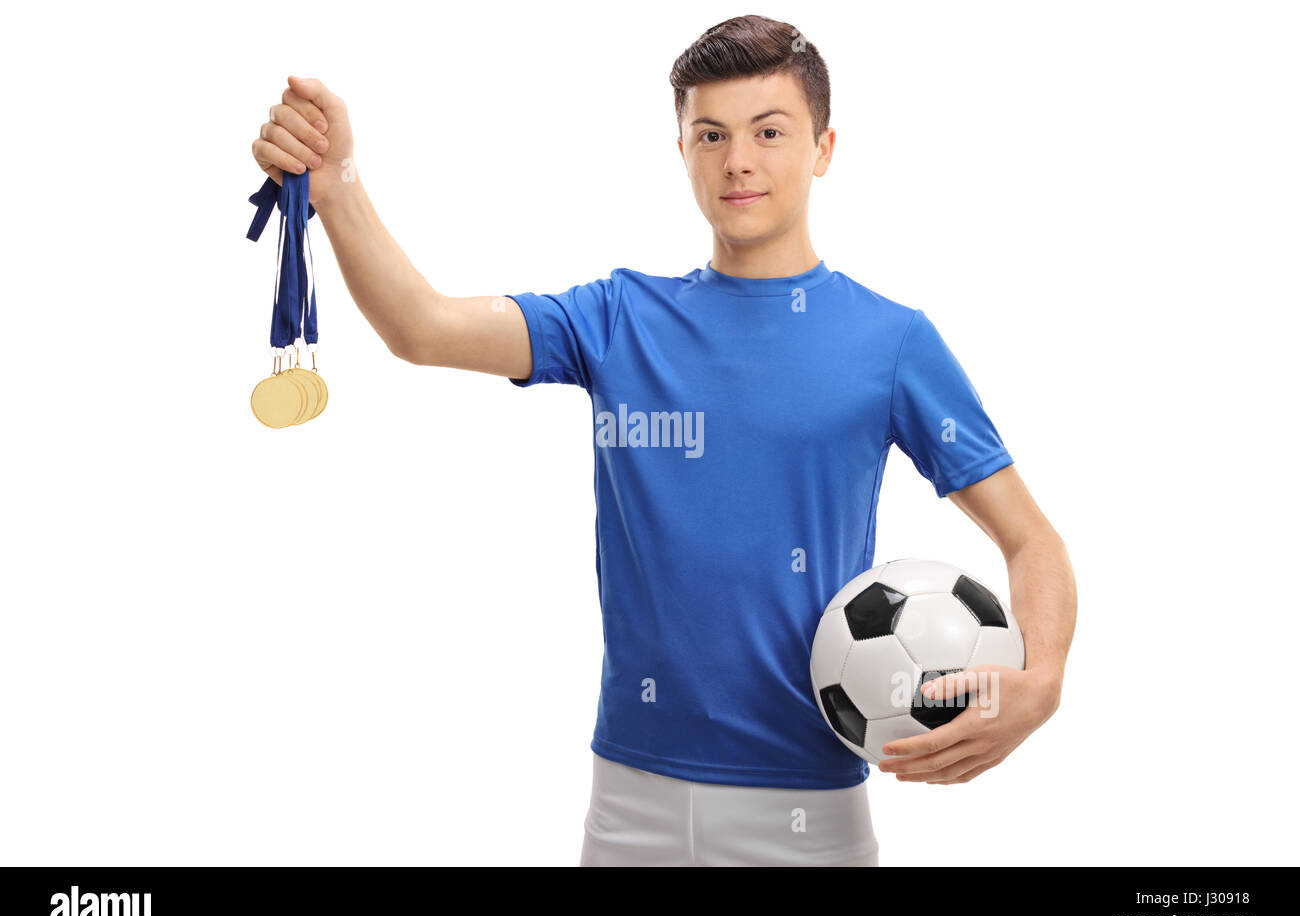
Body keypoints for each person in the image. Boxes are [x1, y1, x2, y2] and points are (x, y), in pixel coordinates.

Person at [249, 14, 1077, 867]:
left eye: (769, 132)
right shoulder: (619, 318)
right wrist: (337, 185)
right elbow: (422, 327)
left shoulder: (893, 343)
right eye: (711, 135)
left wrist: (1041, 682)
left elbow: (1031, 539)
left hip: (809, 814)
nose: (738, 160)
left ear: (824, 149)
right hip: (627, 808)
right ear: (682, 150)